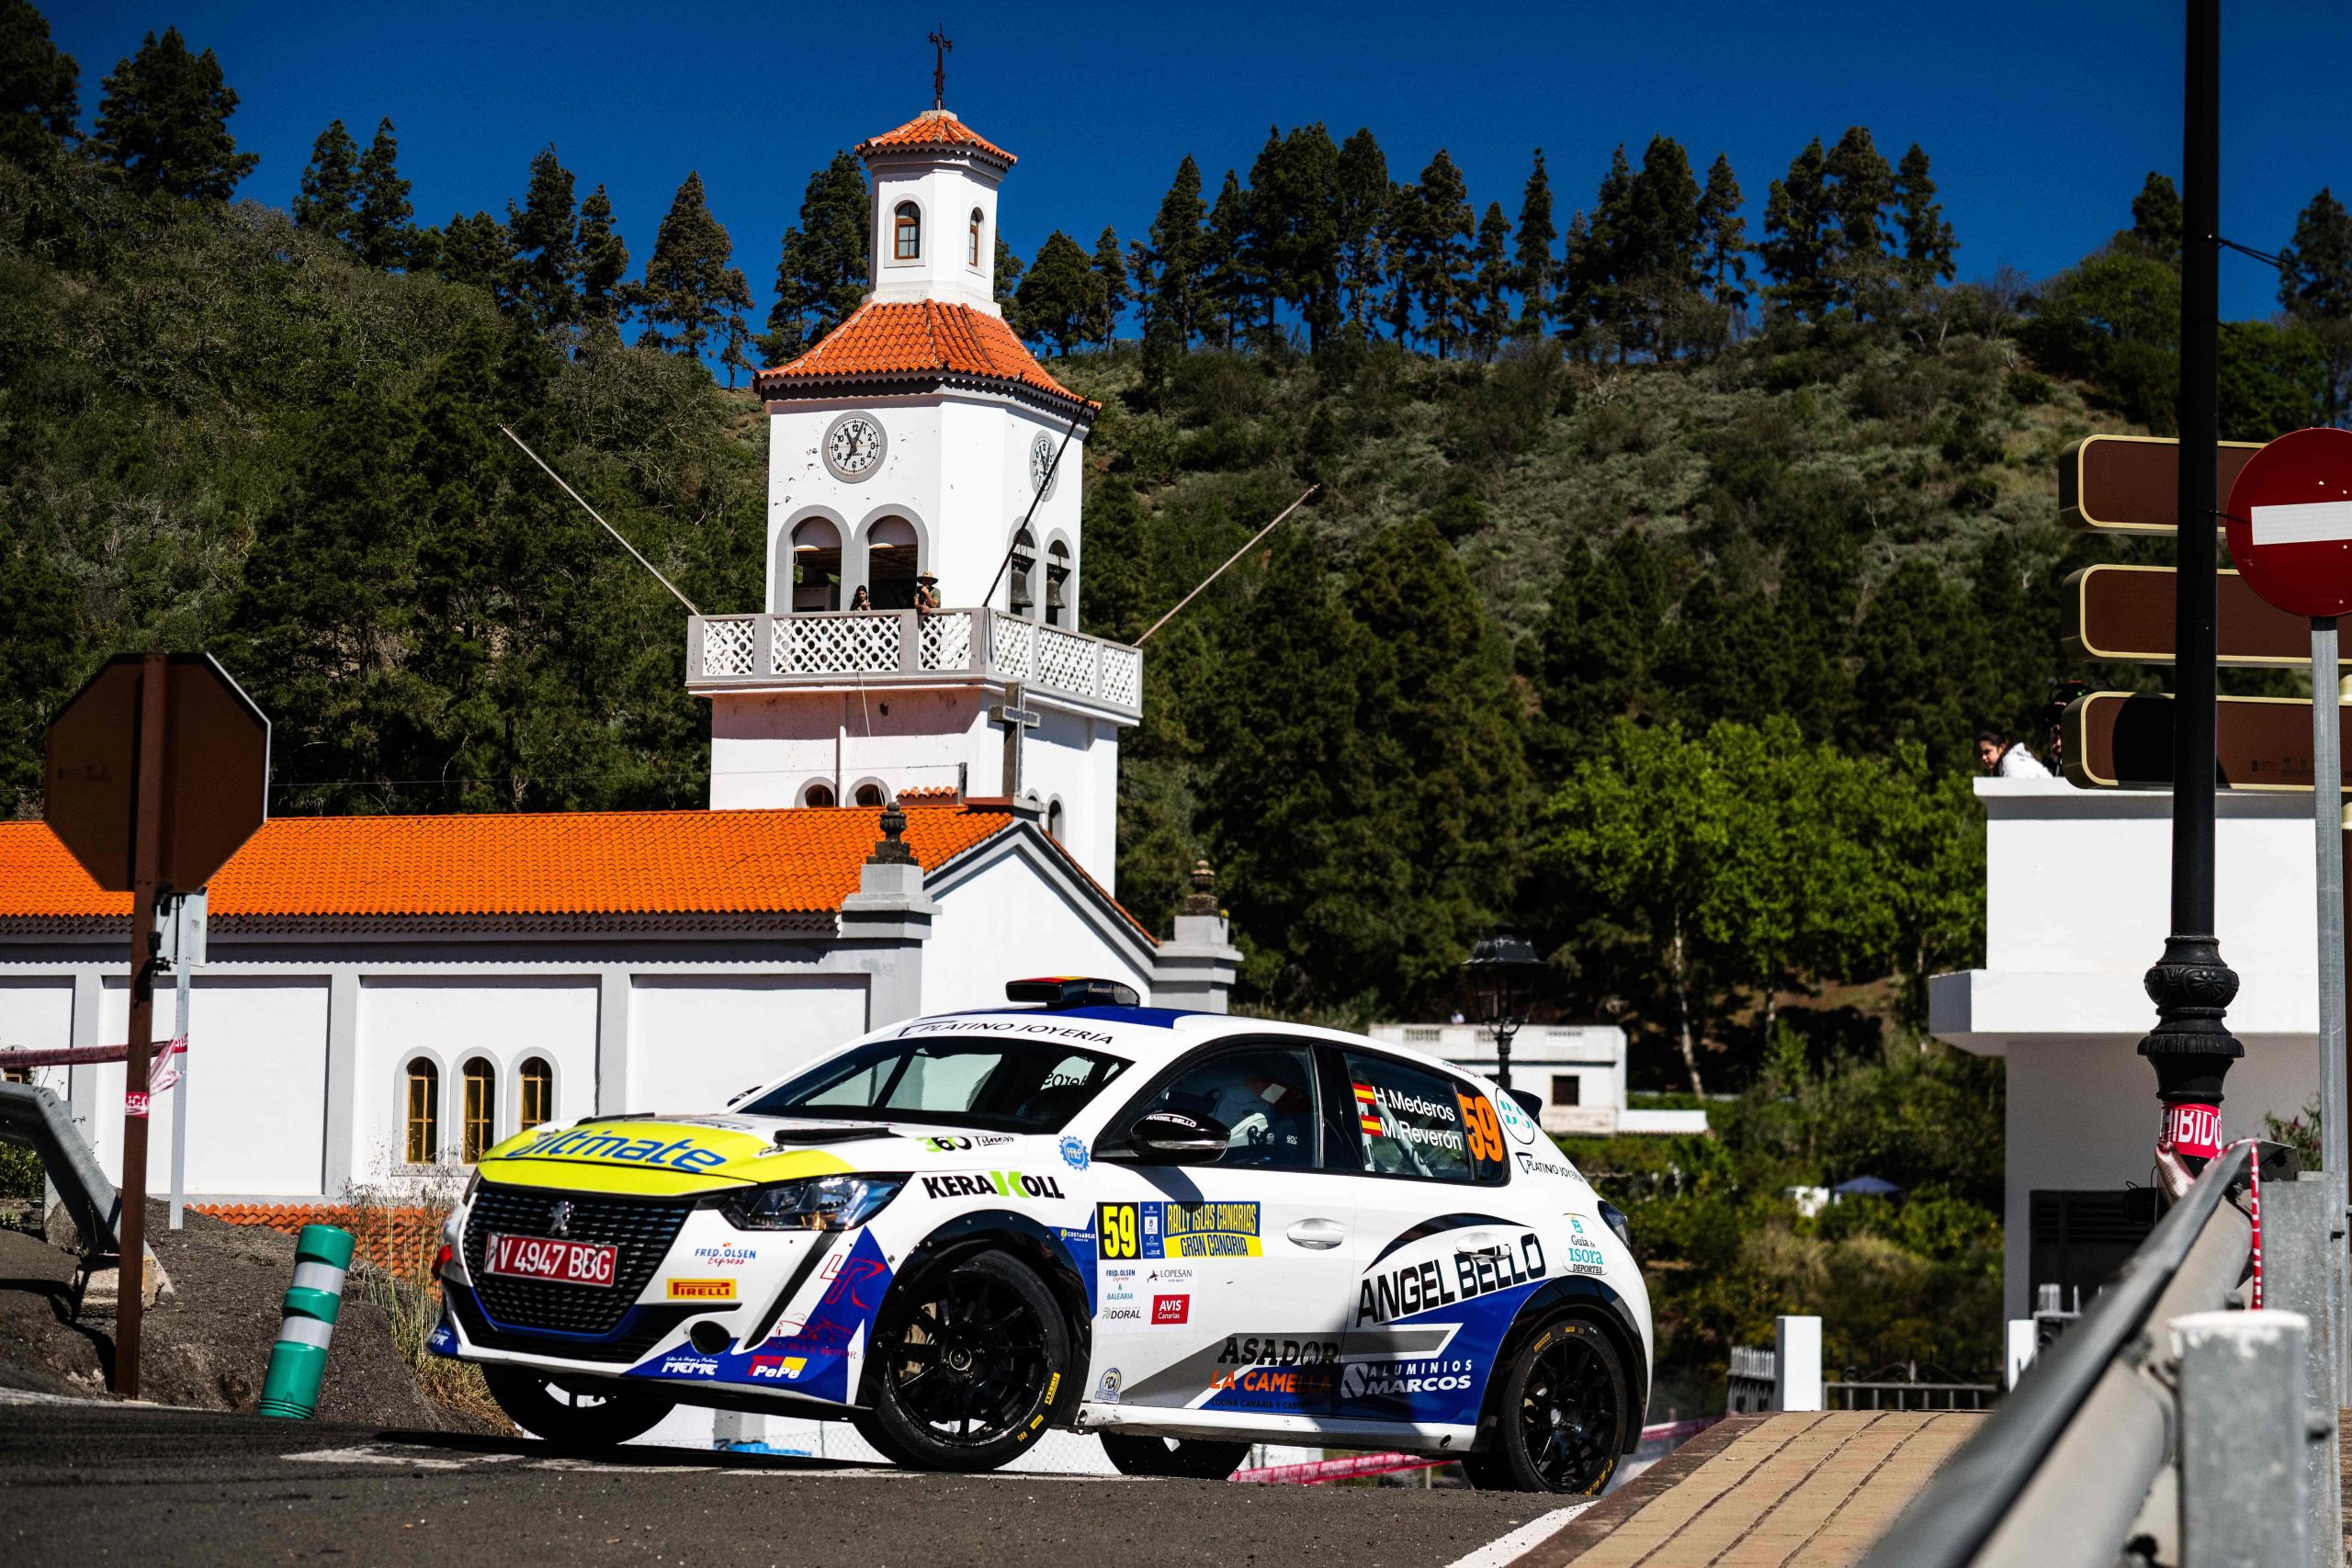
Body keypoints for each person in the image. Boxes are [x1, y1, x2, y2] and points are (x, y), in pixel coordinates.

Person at [1977, 729, 2052, 778]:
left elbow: (2017, 793)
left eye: (1987, 752)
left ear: (2002, 748)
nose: (1983, 758)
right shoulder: (2006, 764)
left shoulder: (2011, 762)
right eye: (1980, 755)